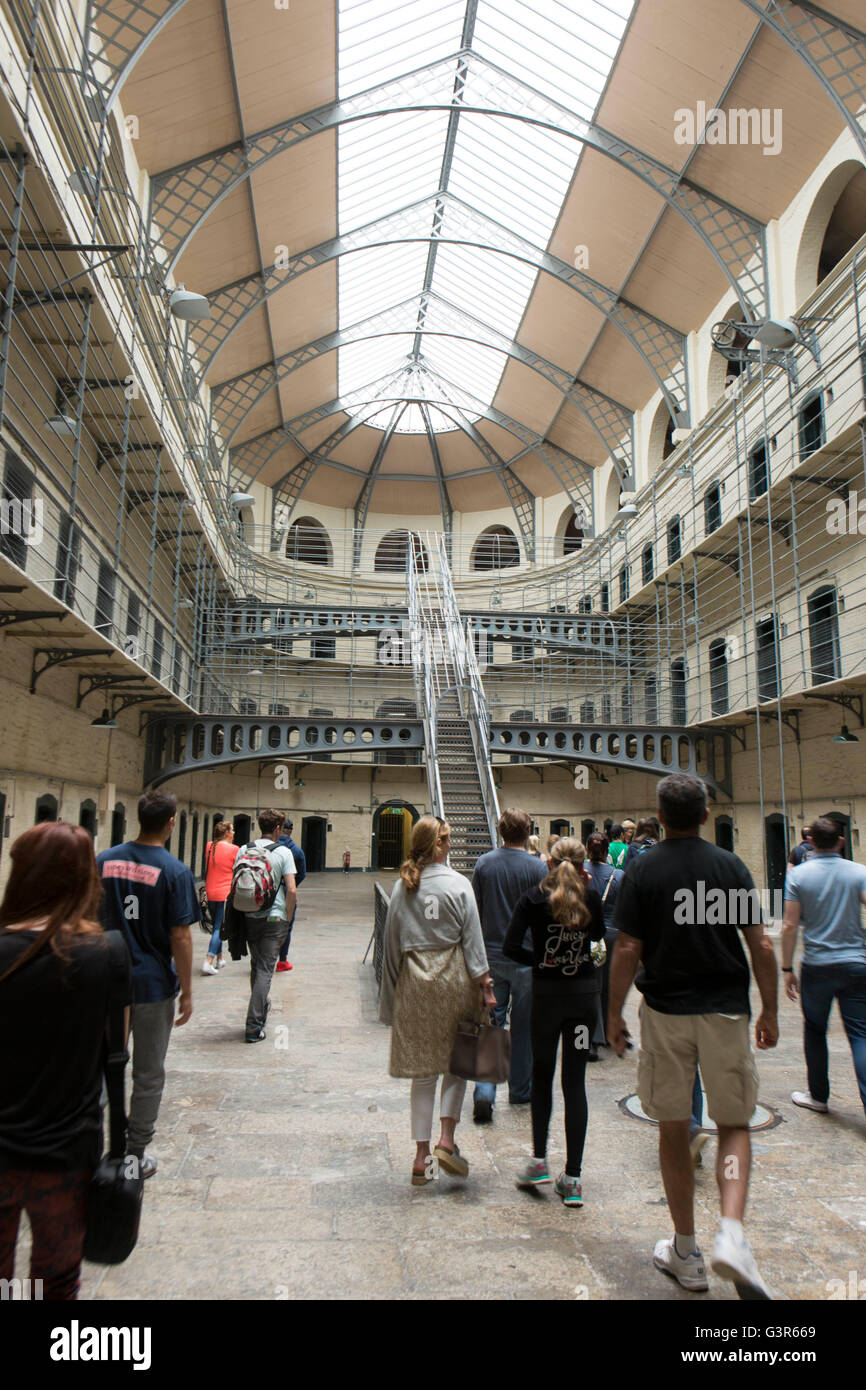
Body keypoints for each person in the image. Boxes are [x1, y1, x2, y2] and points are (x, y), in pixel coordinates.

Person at [608, 773, 779, 1299]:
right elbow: (761, 946)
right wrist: (769, 1007)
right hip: (725, 1011)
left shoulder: (644, 869)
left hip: (665, 1012)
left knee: (674, 1127)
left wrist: (612, 1012)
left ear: (660, 818)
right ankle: (731, 1232)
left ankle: (685, 1251)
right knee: (731, 1123)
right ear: (705, 815)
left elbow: (627, 949)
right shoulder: (729, 867)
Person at [0, 823, 131, 1300]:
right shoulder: (107, 955)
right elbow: (116, 1054)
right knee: (55, 1279)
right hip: (66, 1150)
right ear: (84, 880)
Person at [379, 817, 495, 1185]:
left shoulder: (403, 887)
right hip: (455, 982)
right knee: (457, 1064)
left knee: (423, 1073)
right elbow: (474, 946)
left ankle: (421, 1157)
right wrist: (486, 987)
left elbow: (392, 947)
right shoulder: (460, 885)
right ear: (442, 845)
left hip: (416, 984)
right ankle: (448, 1138)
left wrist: (394, 998)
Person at [97, 790, 197, 1179]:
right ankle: (134, 1154)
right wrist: (187, 990)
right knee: (148, 1072)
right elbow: (181, 937)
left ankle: (90, 1145)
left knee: (103, 1064)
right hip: (152, 986)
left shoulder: (103, 861)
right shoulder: (174, 871)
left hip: (106, 980)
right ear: (171, 822)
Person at [505, 839, 605, 1207]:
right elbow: (596, 942)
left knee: (543, 1075)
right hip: (582, 1003)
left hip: (547, 1002)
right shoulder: (591, 900)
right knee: (574, 1082)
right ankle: (573, 1178)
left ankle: (538, 1161)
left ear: (548, 861)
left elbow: (511, 945)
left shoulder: (533, 898)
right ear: (582, 868)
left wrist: (540, 962)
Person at [782, 816, 866, 1117]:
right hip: (857, 964)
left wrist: (786, 968)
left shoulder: (798, 876)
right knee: (861, 1035)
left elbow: (790, 925)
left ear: (811, 842)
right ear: (841, 841)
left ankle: (818, 1096)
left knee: (815, 1030)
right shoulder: (859, 872)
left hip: (817, 966)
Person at [470, 808, 548, 1123]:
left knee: (491, 1025)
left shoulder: (485, 864)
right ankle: (520, 1090)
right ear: (527, 831)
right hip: (527, 960)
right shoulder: (539, 868)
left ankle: (485, 1092)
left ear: (501, 830)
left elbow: (476, 910)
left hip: (491, 956)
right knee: (525, 1027)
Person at [240, 809, 296, 1043]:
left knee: (257, 965)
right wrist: (287, 914)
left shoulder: (244, 849)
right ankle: (253, 1026)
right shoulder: (283, 852)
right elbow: (291, 889)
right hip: (274, 918)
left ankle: (260, 1006)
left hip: (250, 915)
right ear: (277, 829)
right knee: (265, 969)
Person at [585, 831, 622, 1058]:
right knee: (609, 986)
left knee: (591, 986)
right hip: (613, 935)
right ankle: (608, 1033)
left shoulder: (580, 874)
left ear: (587, 849)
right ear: (607, 851)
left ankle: (592, 1038)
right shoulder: (619, 876)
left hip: (588, 934)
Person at [202, 821, 238, 974]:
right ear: (227, 833)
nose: (234, 832)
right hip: (225, 894)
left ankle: (220, 959)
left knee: (217, 927)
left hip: (210, 892)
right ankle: (208, 961)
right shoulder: (234, 849)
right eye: (232, 830)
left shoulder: (210, 846)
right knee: (219, 927)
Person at [275, 815, 306, 973]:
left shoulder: (269, 848)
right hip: (288, 892)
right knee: (286, 926)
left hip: (269, 892)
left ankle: (263, 957)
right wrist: (290, 885)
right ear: (291, 831)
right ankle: (282, 961)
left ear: (279, 829)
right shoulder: (297, 851)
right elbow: (301, 874)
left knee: (266, 925)